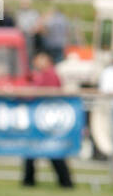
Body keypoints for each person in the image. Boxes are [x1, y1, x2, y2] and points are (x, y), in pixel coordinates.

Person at [21, 53, 74, 188]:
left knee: (51, 150)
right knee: (35, 150)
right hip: (41, 117)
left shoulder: (49, 75)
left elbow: (37, 93)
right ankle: (30, 180)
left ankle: (64, 181)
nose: (36, 62)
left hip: (47, 118)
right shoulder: (41, 75)